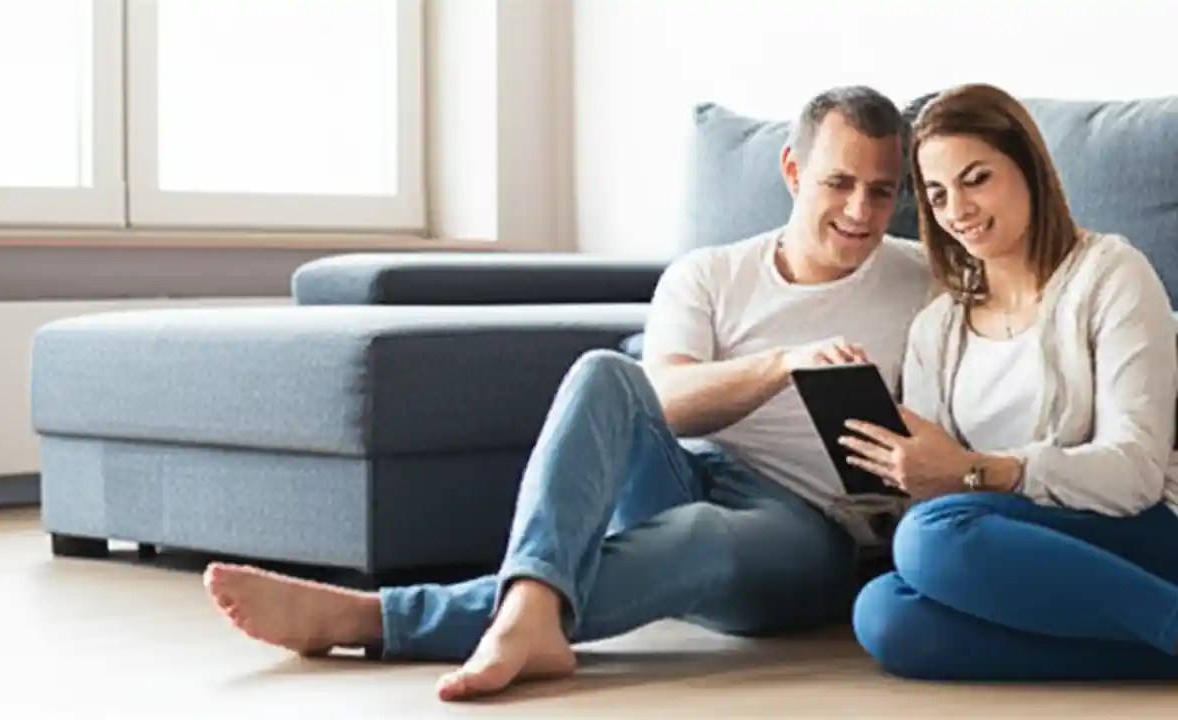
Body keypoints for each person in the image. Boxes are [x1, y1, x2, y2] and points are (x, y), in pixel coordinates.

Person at [203, 86, 932, 701]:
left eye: (881, 191)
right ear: (793, 171)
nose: (861, 212)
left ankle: (387, 617)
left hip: (810, 529)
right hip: (687, 471)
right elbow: (667, 402)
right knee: (603, 372)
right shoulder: (708, 274)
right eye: (840, 184)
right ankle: (528, 611)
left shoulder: (923, 280)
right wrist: (783, 366)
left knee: (700, 536)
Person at [845, 83, 1178, 680]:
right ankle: (1154, 646)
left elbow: (1136, 475)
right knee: (885, 614)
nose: (959, 212)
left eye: (977, 179)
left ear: (1029, 167)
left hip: (1138, 531)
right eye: (939, 194)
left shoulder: (1112, 275)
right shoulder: (936, 328)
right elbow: (944, 496)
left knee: (932, 538)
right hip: (1015, 547)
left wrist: (980, 470)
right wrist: (909, 474)